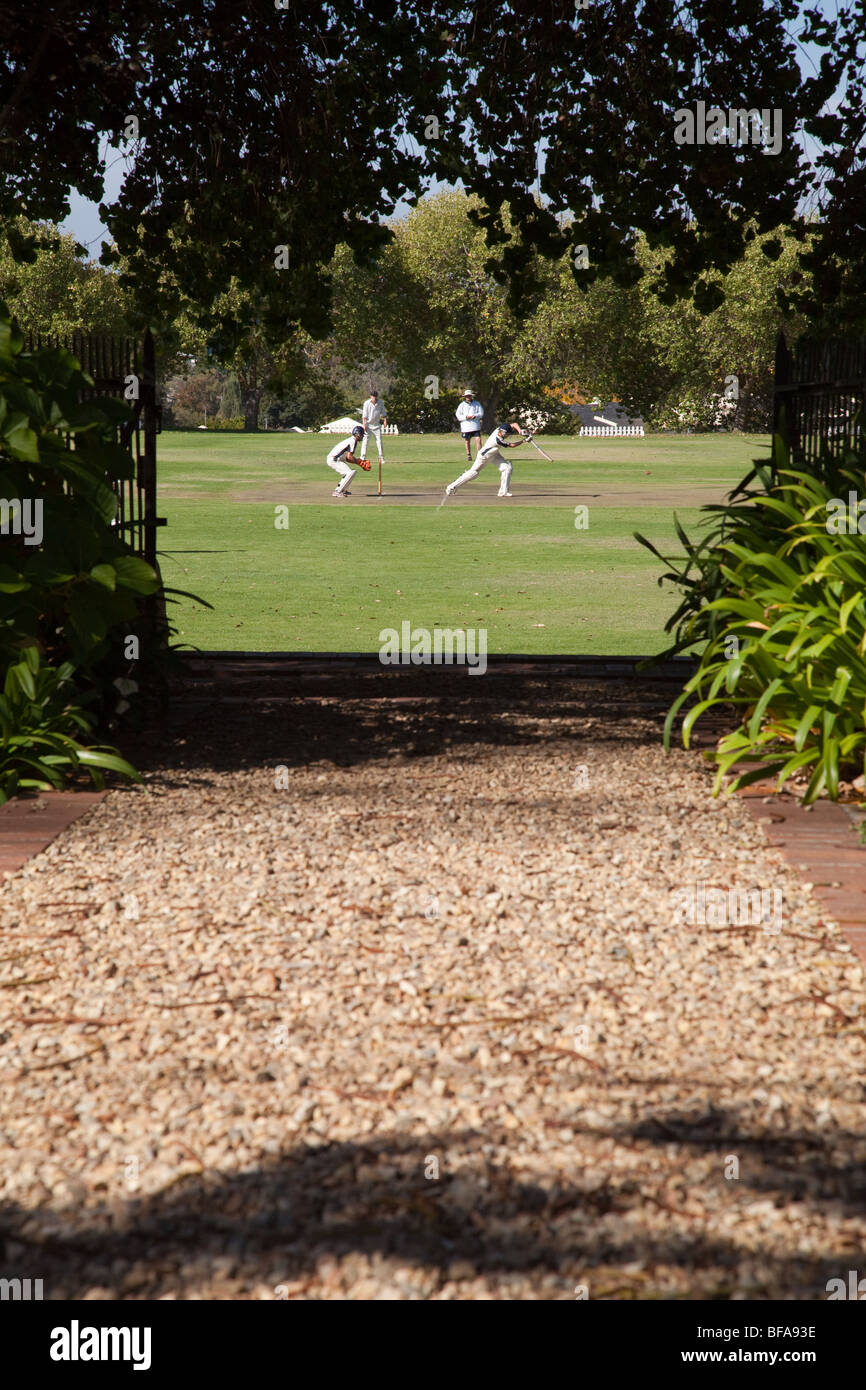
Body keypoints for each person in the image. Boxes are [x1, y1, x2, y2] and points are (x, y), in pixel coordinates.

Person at [443, 422, 526, 499]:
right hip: (484, 456)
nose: (506, 435)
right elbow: (512, 445)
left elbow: (514, 424)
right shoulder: (497, 440)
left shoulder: (499, 428)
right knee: (473, 473)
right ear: (502, 432)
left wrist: (520, 431)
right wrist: (524, 441)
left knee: (507, 468)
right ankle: (451, 487)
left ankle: (503, 492)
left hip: (494, 454)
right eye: (505, 434)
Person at [326, 424, 366, 497]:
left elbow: (348, 458)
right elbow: (349, 457)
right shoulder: (352, 441)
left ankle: (342, 490)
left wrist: (359, 462)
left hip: (337, 459)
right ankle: (338, 492)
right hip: (334, 459)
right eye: (362, 434)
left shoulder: (353, 441)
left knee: (350, 473)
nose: (363, 436)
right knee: (350, 473)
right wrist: (359, 462)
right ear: (358, 434)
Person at [360, 389, 387, 466]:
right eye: (373, 396)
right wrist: (364, 425)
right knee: (365, 442)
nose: (374, 398)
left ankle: (381, 458)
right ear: (370, 396)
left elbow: (383, 412)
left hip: (377, 425)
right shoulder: (366, 403)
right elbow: (364, 415)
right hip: (368, 425)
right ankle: (362, 458)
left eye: (375, 396)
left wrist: (385, 420)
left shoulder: (380, 403)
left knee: (379, 442)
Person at [456, 389, 484, 461]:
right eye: (467, 396)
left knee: (478, 439)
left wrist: (475, 416)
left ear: (471, 396)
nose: (468, 397)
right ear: (465, 396)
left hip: (475, 425)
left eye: (469, 396)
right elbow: (458, 415)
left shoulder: (477, 403)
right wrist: (466, 417)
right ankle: (469, 455)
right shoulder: (461, 405)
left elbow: (481, 413)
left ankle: (480, 455)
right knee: (467, 440)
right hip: (466, 426)